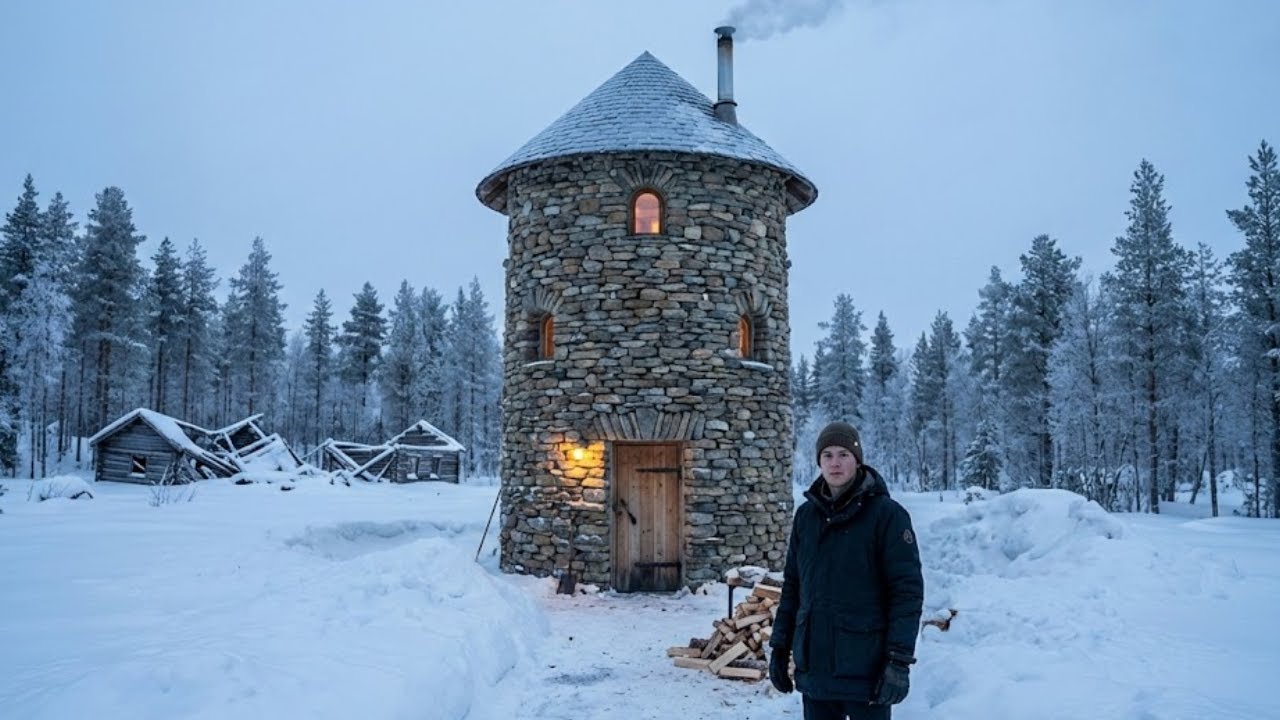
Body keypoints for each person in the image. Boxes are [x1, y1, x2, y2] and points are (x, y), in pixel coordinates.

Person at [768, 421, 925, 720]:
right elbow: (793, 586)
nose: (835, 463)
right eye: (827, 455)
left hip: (868, 672)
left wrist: (899, 660)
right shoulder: (806, 517)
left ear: (857, 460)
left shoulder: (887, 516)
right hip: (815, 670)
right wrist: (779, 647)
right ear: (819, 461)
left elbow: (907, 592)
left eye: (843, 454)